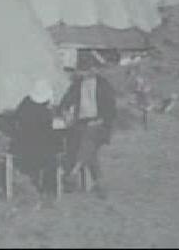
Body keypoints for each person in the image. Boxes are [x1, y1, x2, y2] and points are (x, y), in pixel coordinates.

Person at [59, 53, 116, 198]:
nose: (83, 74)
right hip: (81, 124)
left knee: (88, 136)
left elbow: (111, 109)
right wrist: (65, 112)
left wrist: (101, 120)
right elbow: (65, 102)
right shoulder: (77, 85)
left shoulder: (103, 85)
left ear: (93, 70)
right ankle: (99, 183)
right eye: (82, 71)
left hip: (100, 125)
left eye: (87, 70)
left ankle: (73, 173)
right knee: (86, 146)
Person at [12, 79, 60, 200]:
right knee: (53, 155)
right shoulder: (45, 111)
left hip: (22, 147)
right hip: (40, 150)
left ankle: (37, 185)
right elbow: (49, 131)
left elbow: (16, 119)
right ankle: (49, 189)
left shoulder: (25, 103)